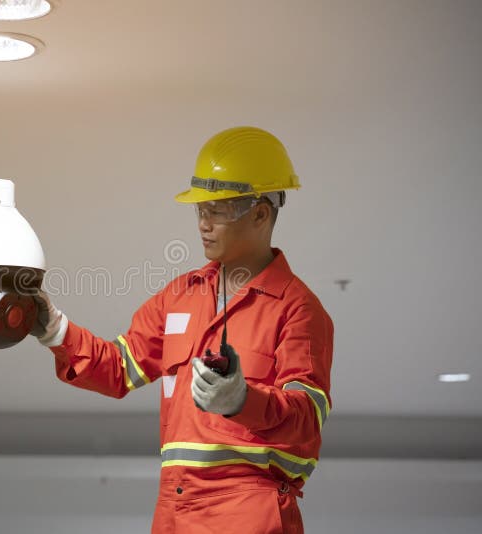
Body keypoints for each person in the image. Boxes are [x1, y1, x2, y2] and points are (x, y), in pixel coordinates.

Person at [30, 126, 334, 533]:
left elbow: (306, 420)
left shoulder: (298, 309)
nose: (203, 224)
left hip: (249, 513)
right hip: (173, 512)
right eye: (200, 210)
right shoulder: (180, 296)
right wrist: (53, 330)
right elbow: (119, 367)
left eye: (217, 210)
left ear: (261, 213)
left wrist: (243, 400)